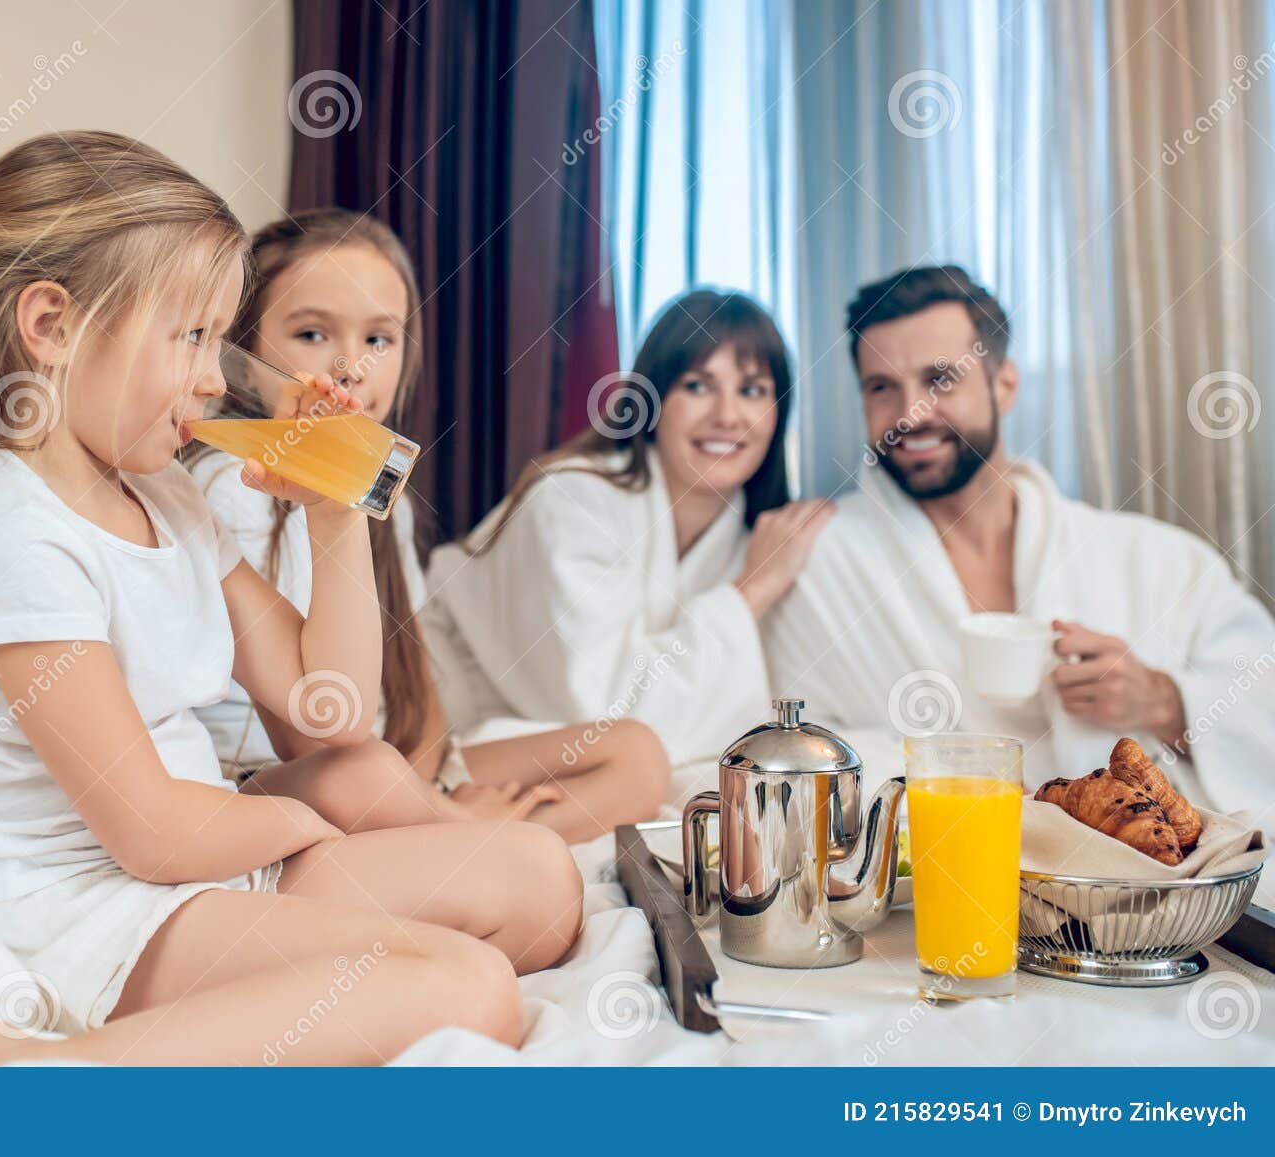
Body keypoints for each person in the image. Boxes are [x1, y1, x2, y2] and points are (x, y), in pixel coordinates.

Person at [0, 131, 581, 1066]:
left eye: (217, 339)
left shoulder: (165, 495)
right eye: (190, 337)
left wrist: (334, 513)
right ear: (51, 327)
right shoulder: (10, 534)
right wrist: (307, 827)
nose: (217, 380)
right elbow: (151, 831)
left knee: (537, 875)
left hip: (200, 859)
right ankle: (31, 1072)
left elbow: (328, 712)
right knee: (471, 986)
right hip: (85, 906)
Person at [190, 208, 669, 842]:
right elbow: (311, 736)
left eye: (378, 340)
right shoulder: (235, 487)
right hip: (290, 777)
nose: (351, 367)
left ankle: (469, 841)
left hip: (383, 764)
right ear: (245, 349)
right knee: (372, 778)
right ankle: (477, 842)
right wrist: (440, 807)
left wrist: (427, 785)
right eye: (312, 333)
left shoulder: (383, 494)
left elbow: (415, 683)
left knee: (636, 753)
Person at [762, 264, 1275, 816]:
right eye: (882, 387)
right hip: (938, 864)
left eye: (940, 379)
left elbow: (1261, 694)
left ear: (1004, 384)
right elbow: (791, 753)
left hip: (1138, 868)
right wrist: (972, 785)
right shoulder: (818, 564)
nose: (911, 413)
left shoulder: (1161, 560)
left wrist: (1165, 701)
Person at [422, 289, 834, 769]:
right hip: (443, 718)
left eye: (752, 391)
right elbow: (601, 719)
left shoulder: (752, 537)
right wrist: (751, 591)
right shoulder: (573, 500)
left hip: (584, 754)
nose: (727, 416)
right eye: (697, 386)